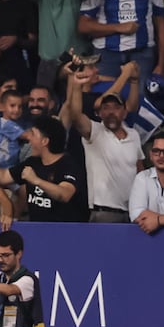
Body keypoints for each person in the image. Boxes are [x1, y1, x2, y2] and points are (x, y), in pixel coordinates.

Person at [64, 65, 145, 223]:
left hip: (133, 214)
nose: (110, 112)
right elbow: (75, 115)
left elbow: (140, 171)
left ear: (124, 112)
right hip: (104, 214)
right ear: (99, 113)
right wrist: (76, 86)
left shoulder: (134, 135)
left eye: (116, 107)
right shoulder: (95, 132)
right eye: (106, 108)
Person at [0, 115, 89, 222]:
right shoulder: (33, 162)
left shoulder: (69, 164)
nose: (29, 139)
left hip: (67, 232)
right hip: (37, 230)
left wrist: (36, 180)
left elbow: (64, 194)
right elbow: (2, 177)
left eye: (33, 134)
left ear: (44, 141)